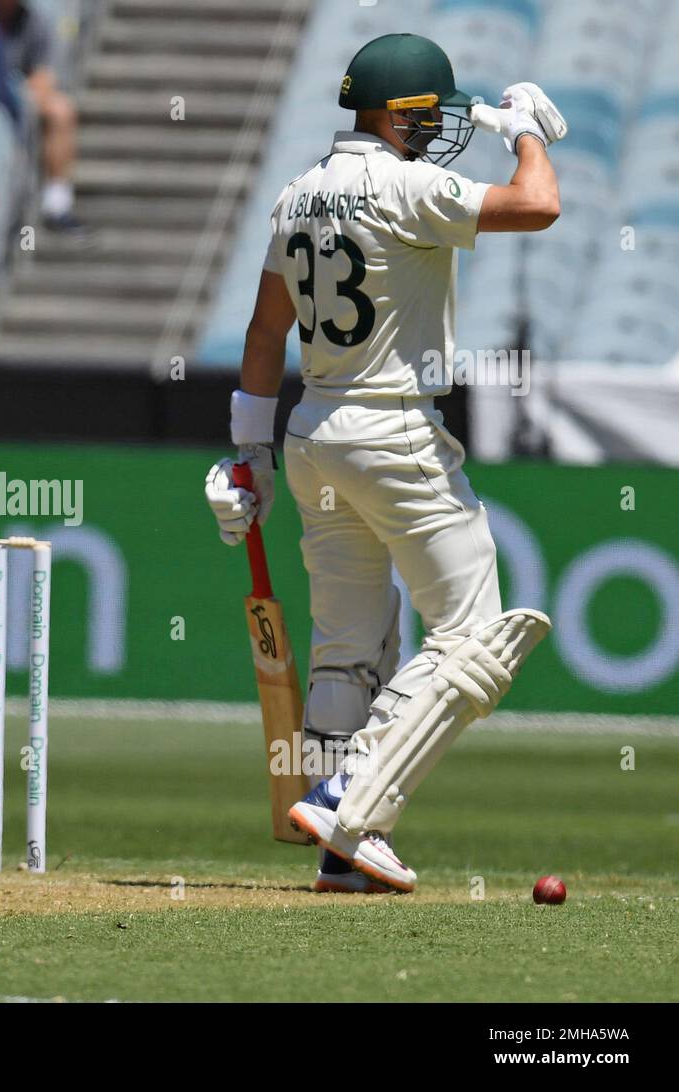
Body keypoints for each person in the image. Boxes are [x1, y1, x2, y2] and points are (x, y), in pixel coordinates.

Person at [203, 34, 563, 894]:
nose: (437, 129)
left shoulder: (296, 194)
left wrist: (246, 456)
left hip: (312, 434)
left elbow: (263, 331)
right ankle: (350, 803)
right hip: (394, 433)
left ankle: (342, 853)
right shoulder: (407, 185)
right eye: (429, 116)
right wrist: (527, 134)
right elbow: (538, 204)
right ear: (396, 116)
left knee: (349, 653)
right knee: (476, 634)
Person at [0, 0, 86, 235]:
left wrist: (18, 94)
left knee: (61, 109)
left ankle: (57, 202)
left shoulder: (34, 21)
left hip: (19, 97)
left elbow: (45, 76)